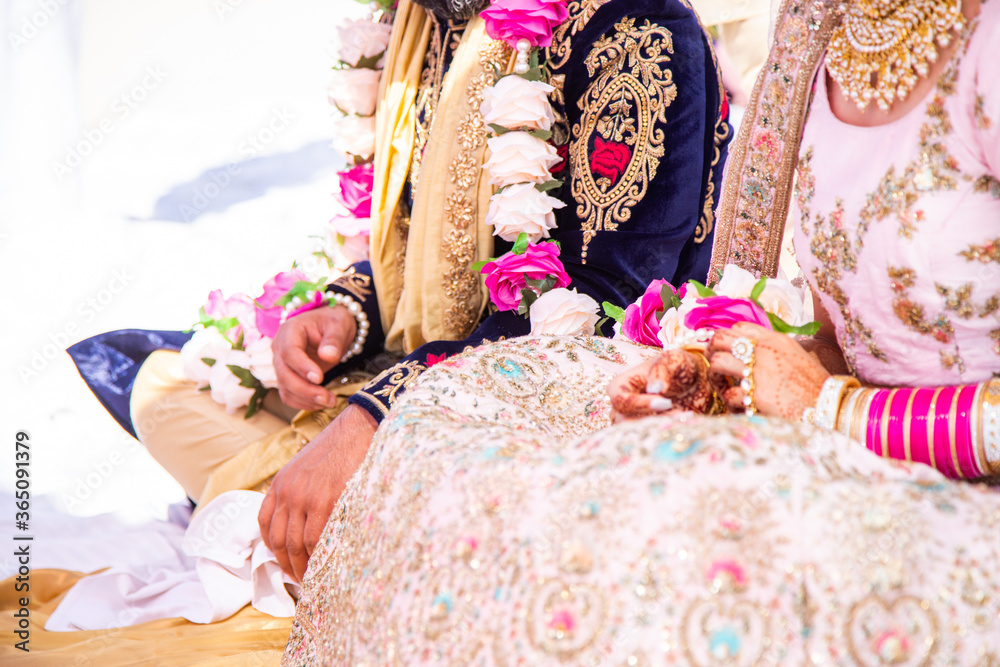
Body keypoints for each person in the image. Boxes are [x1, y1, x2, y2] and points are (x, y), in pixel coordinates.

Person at [282, 0, 1000, 663]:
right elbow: (836, 330)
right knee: (488, 467)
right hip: (843, 446)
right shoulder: (822, 25)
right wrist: (707, 374)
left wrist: (829, 405)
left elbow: (607, 290)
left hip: (956, 492)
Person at [67, 0, 730, 586]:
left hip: (540, 417)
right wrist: (345, 314)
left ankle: (299, 534)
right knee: (163, 386)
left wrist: (373, 417)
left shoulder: (637, 28)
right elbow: (406, 246)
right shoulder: (426, 22)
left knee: (440, 504)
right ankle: (315, 534)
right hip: (408, 376)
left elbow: (597, 315)